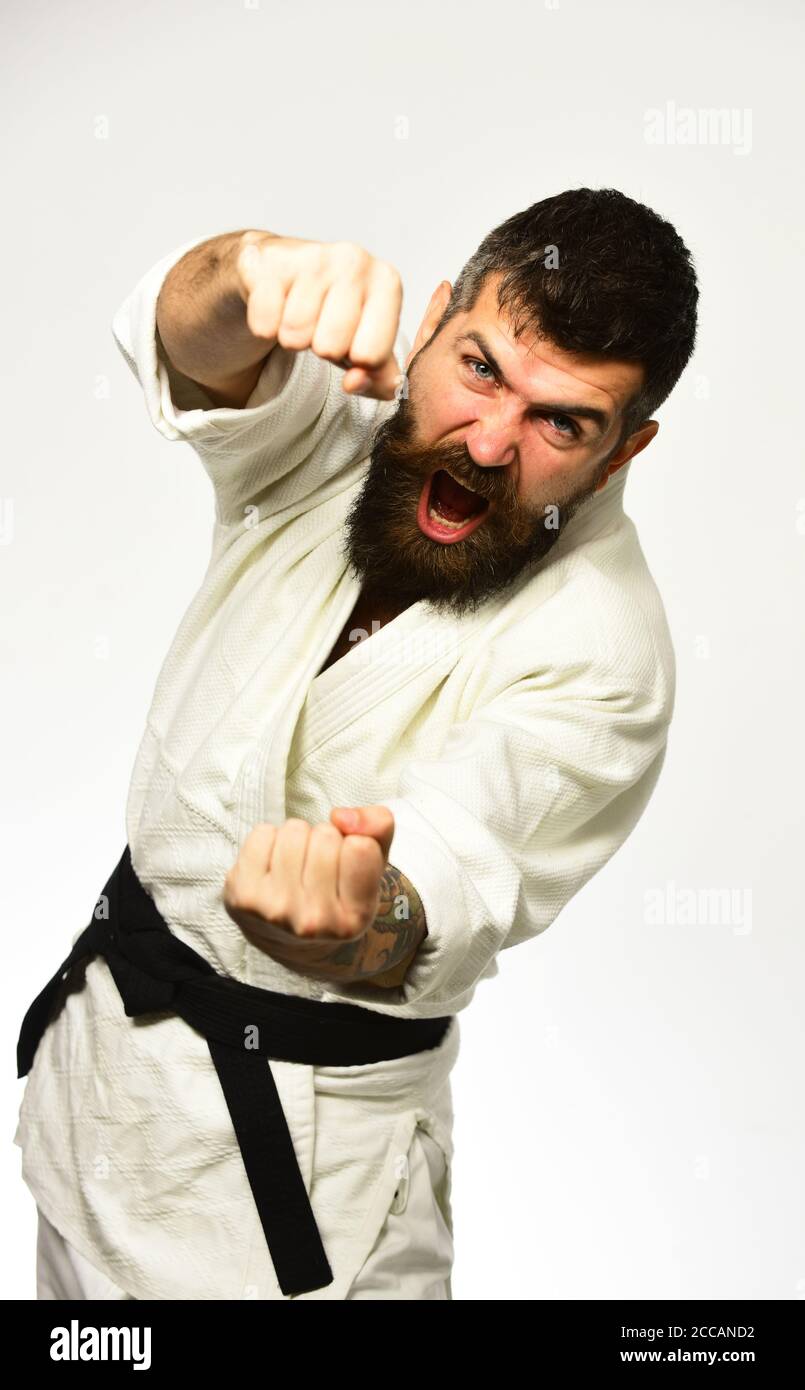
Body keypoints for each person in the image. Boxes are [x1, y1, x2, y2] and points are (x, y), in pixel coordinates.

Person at [15, 186, 698, 1300]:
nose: (487, 442)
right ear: (430, 323)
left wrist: (362, 913)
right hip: (107, 1096)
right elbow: (199, 355)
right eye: (478, 366)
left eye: (560, 421)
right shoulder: (342, 442)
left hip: (306, 1197)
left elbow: (441, 877)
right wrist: (244, 269)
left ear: (623, 451)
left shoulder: (603, 652)